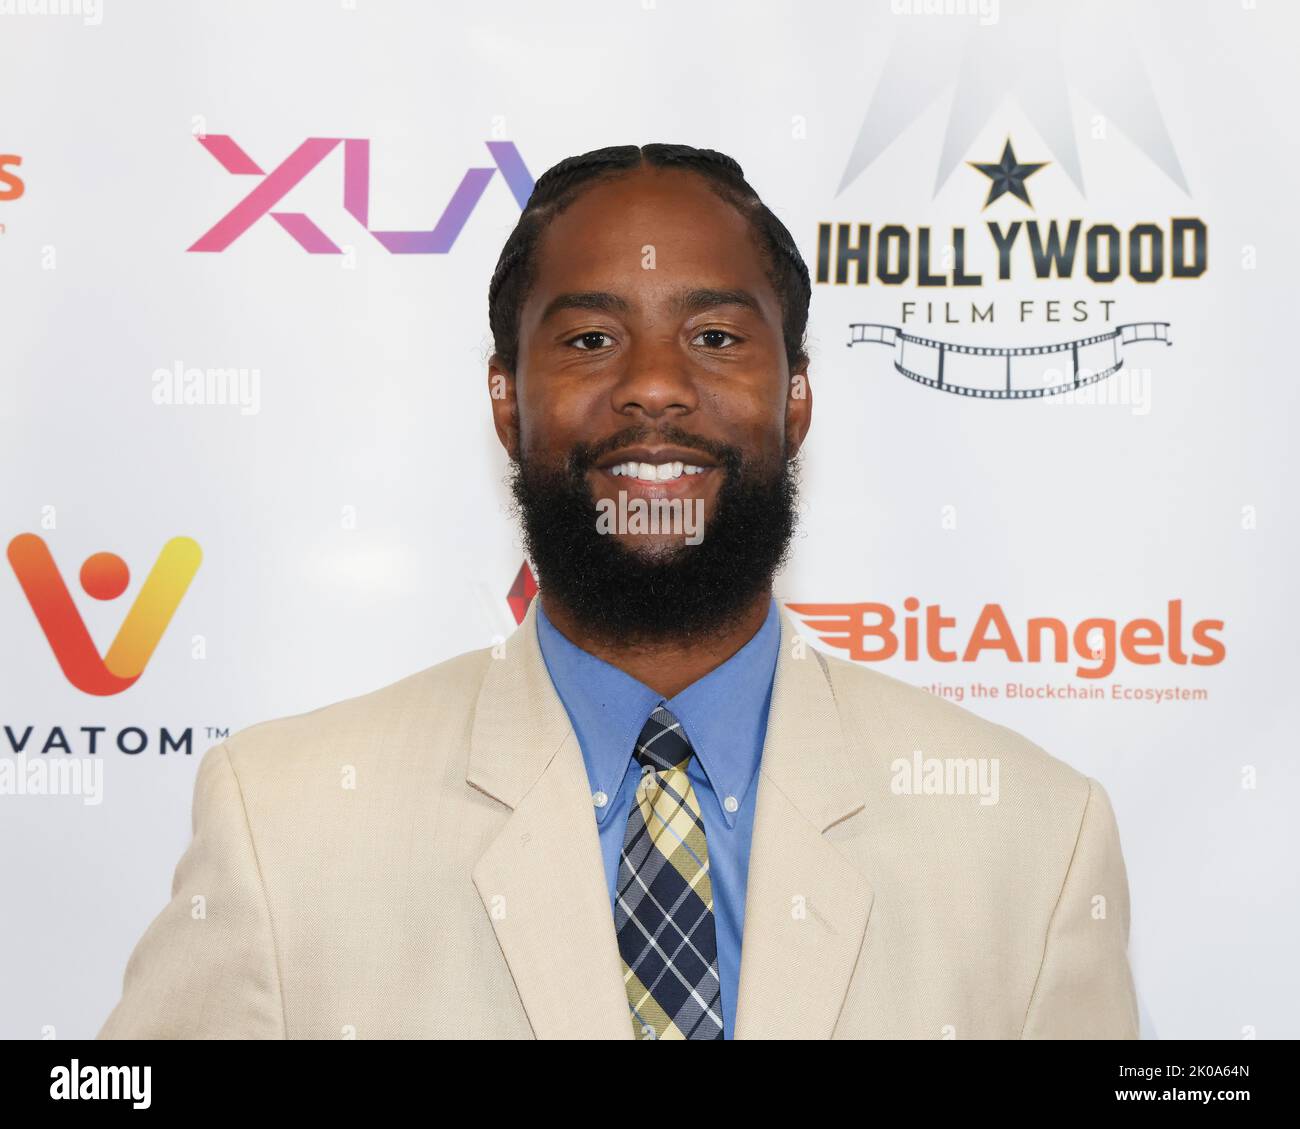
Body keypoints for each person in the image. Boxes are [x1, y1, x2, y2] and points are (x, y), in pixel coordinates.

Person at [99, 143, 1139, 1040]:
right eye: (590, 339)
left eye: (717, 337)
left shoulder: (1032, 840)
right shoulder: (284, 824)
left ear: (798, 396)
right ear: (505, 400)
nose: (653, 384)